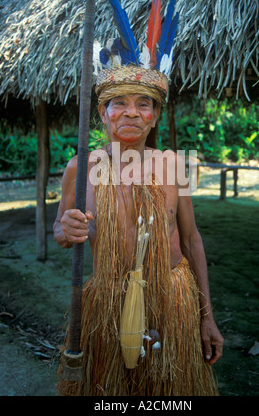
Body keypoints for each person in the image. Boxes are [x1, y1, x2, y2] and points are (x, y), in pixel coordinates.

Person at [54, 65, 223, 396]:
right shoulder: (80, 167)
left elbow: (190, 239)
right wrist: (68, 228)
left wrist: (207, 317)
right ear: (103, 113)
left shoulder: (173, 164)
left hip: (172, 301)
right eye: (118, 103)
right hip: (107, 302)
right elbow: (61, 232)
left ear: (155, 116)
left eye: (143, 103)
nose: (131, 112)